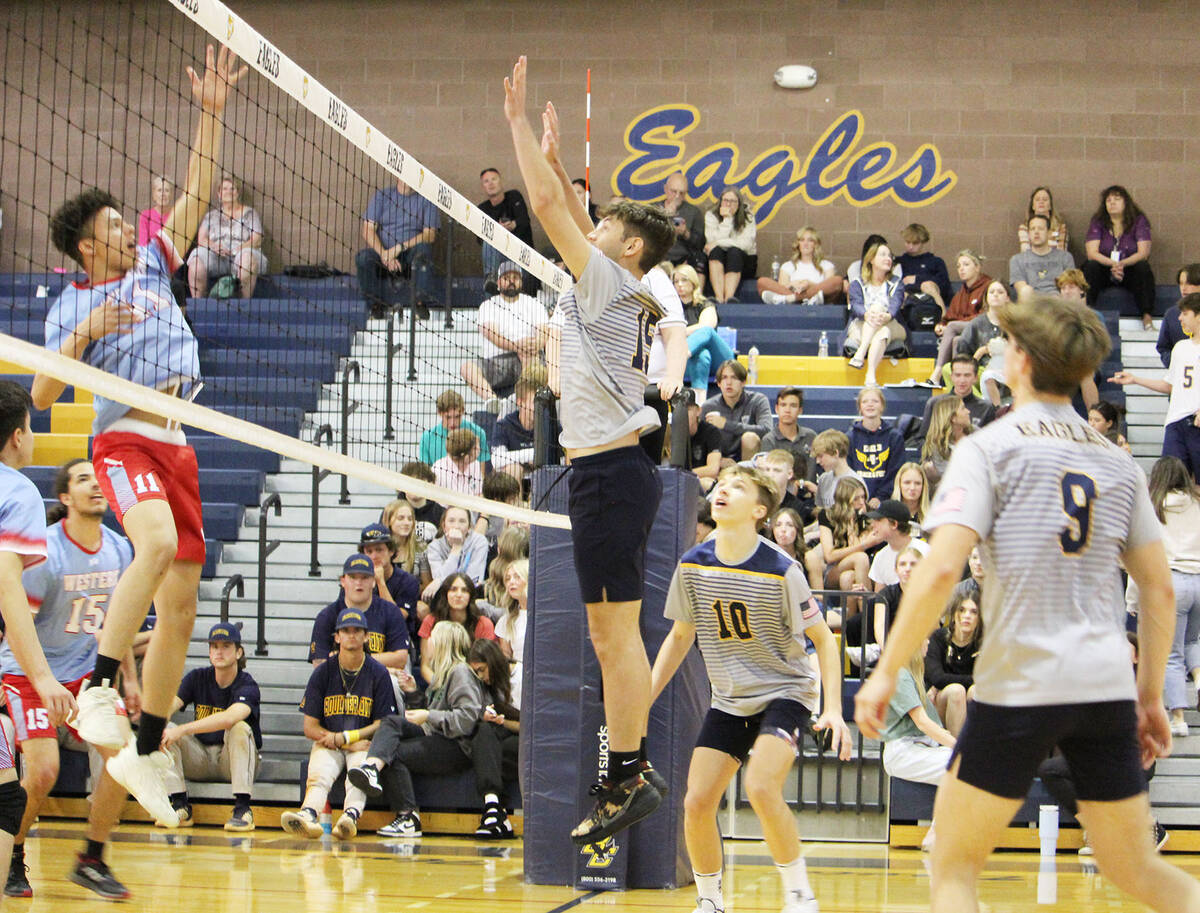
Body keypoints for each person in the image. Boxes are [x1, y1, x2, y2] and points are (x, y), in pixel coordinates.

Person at [855, 292, 1200, 913]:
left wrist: (884, 672)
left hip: (1020, 682)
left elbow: (938, 573)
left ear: (1018, 358)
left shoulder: (988, 448)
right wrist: (1149, 696)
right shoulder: (1118, 465)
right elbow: (1158, 587)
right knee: (1136, 869)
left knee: (954, 865)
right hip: (1101, 685)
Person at [34, 44, 246, 828]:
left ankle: (149, 744)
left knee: (184, 605)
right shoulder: (70, 304)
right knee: (152, 544)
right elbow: (44, 391)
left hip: (180, 432)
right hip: (123, 436)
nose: (133, 229)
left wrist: (212, 114)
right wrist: (91, 325)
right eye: (117, 226)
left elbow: (193, 196)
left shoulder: (153, 268)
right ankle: (96, 687)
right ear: (89, 245)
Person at [504, 57, 688, 844]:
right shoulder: (614, 281)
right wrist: (549, 153)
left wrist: (513, 123)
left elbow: (550, 209)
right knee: (611, 636)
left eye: (606, 223)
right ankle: (628, 772)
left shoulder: (611, 283)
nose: (593, 225)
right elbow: (569, 210)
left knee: (614, 638)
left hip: (611, 474)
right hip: (607, 473)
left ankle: (627, 773)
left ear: (630, 245)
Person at [649, 465, 852, 913]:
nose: (723, 490)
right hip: (730, 699)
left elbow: (823, 639)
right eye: (721, 485)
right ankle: (710, 901)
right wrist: (644, 696)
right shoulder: (693, 563)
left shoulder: (783, 570)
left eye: (737, 487)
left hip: (787, 692)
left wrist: (834, 709)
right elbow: (681, 636)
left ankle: (800, 896)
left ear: (759, 511)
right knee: (697, 801)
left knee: (761, 786)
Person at [2, 459, 135, 900]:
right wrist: (43, 682)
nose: (95, 486)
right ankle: (13, 854)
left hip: (85, 677)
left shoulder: (119, 549)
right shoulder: (47, 554)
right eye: (83, 480)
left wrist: (128, 680)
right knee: (43, 772)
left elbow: (121, 621)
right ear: (65, 498)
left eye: (100, 481)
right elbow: (17, 621)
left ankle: (92, 858)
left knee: (124, 757)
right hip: (29, 672)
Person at [0, 385, 76, 899]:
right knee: (6, 797)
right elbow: (9, 589)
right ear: (19, 435)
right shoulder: (19, 491)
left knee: (8, 787)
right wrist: (42, 676)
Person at [348, 621, 486, 838]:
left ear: (443, 642)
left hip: (457, 747)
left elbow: (468, 719)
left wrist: (428, 715)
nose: (428, 641)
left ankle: (408, 816)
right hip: (438, 737)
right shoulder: (442, 674)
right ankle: (371, 768)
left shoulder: (460, 672)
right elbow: (432, 715)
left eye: (432, 636)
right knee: (391, 722)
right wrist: (413, 693)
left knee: (394, 753)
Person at [282, 607, 398, 839]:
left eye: (357, 631)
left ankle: (350, 817)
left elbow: (383, 723)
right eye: (346, 631)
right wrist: (341, 741)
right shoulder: (323, 673)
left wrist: (349, 738)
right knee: (319, 774)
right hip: (330, 741)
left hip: (363, 744)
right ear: (337, 637)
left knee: (360, 769)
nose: (351, 635)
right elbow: (309, 727)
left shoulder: (378, 673)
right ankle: (308, 814)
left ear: (367, 636)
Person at [160, 622, 262, 832]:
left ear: (238, 652)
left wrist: (183, 729)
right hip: (200, 758)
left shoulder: (247, 684)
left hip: (231, 762)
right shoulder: (197, 677)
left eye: (226, 645)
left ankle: (243, 809)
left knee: (239, 727)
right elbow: (170, 705)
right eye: (214, 646)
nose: (219, 651)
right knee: (166, 729)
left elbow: (229, 718)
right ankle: (180, 806)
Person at [1111, 293, 1200, 481]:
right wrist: (1135, 379)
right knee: (1169, 482)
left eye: (1185, 313)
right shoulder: (1181, 348)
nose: (1179, 318)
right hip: (1176, 421)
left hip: (1197, 421)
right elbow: (1170, 385)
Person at [1146, 457, 1200, 737]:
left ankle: (1178, 717)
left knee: (1171, 653)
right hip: (1199, 578)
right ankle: (1199, 679)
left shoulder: (1153, 508)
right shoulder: (1197, 504)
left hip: (1172, 581)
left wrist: (1133, 600)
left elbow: (1146, 555)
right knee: (1193, 641)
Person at [460, 261, 547, 406]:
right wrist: (516, 346)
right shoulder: (488, 305)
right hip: (497, 363)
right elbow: (491, 333)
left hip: (530, 357)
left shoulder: (534, 304)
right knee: (467, 368)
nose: (511, 281)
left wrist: (536, 343)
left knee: (530, 353)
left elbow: (544, 331)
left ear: (521, 282)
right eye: (507, 278)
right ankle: (492, 400)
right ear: (499, 283)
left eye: (515, 277)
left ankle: (531, 401)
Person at [308, 555, 411, 677]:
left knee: (396, 682)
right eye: (352, 577)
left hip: (381, 678)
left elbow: (400, 659)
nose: (358, 583)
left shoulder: (390, 611)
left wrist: (351, 658)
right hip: (339, 680)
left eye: (365, 577)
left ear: (373, 581)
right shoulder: (327, 616)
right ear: (343, 581)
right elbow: (320, 664)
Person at [356, 176, 441, 319]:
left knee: (423, 251)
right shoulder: (382, 196)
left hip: (410, 256)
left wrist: (399, 248)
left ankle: (420, 304)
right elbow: (367, 229)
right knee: (363, 258)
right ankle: (376, 306)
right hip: (382, 254)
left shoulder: (427, 200)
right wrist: (384, 254)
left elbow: (429, 235)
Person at [466, 638, 521, 838]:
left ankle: (495, 811)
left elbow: (532, 728)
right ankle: (494, 808)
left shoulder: (521, 676)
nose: (480, 677)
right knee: (483, 733)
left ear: (492, 662)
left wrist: (503, 722)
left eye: (481, 670)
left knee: (488, 755)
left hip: (527, 740)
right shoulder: (489, 687)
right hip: (503, 738)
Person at [1083, 184, 1156, 329]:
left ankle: (1147, 317)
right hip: (1104, 268)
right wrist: (1112, 264)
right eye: (1108, 200)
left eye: (1116, 199)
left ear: (1126, 202)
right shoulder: (1098, 221)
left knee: (1143, 267)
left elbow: (1143, 253)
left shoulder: (1139, 221)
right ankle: (1086, 314)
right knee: (1090, 266)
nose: (1112, 203)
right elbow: (1092, 253)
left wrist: (1122, 264)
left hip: (1129, 268)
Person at [186, 174, 266, 300]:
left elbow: (257, 238)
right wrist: (213, 246)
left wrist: (239, 248)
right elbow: (201, 239)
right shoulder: (211, 216)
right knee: (196, 259)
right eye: (224, 189)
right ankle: (198, 304)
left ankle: (243, 303)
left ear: (238, 192)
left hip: (242, 254)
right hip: (217, 257)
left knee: (246, 259)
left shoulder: (250, 213)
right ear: (219, 193)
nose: (228, 192)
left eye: (232, 188)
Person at [922, 251, 991, 388]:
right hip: (964, 332)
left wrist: (951, 325)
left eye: (966, 264)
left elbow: (984, 316)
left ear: (977, 267)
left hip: (983, 330)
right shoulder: (961, 292)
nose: (961, 269)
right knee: (955, 340)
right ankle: (956, 383)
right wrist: (941, 324)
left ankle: (937, 372)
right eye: (959, 266)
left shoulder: (988, 286)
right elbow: (950, 316)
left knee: (953, 327)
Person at [845, 240, 906, 387]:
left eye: (890, 256)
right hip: (861, 325)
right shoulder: (857, 283)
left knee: (879, 309)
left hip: (892, 324)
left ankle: (861, 352)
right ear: (871, 259)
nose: (888, 259)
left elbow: (896, 303)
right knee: (882, 331)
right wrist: (866, 315)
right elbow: (856, 305)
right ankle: (870, 376)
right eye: (883, 255)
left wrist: (887, 315)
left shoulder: (896, 283)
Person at [417, 574, 496, 682]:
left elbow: (486, 666)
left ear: (470, 596)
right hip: (438, 681)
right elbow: (425, 667)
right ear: (446, 594)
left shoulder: (484, 624)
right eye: (453, 590)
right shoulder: (430, 621)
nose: (459, 595)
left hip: (473, 682)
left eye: (464, 590)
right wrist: (441, 688)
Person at [924, 591, 982, 737]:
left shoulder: (984, 643)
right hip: (940, 704)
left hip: (970, 700)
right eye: (962, 610)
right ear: (954, 613)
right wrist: (970, 679)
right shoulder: (939, 638)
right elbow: (936, 677)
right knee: (957, 691)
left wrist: (944, 681)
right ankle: (955, 752)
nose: (967, 616)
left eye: (973, 612)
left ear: (980, 618)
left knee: (976, 691)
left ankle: (978, 749)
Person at [672, 264, 733, 399]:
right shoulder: (671, 309)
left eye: (684, 280)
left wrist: (678, 333)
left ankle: (683, 353)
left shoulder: (706, 304)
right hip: (693, 361)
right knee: (701, 355)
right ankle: (699, 402)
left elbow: (708, 326)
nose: (680, 285)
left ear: (693, 282)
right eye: (676, 281)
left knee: (706, 330)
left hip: (720, 361)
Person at [699, 359, 772, 464]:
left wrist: (726, 425)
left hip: (750, 460)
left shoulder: (758, 400)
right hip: (720, 461)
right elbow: (700, 441)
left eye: (734, 377)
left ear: (743, 382)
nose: (729, 382)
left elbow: (766, 430)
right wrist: (718, 460)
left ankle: (749, 476)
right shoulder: (709, 406)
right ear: (718, 383)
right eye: (724, 378)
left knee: (749, 438)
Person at [847, 386, 906, 505]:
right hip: (856, 499)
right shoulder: (849, 437)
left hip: (886, 500)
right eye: (865, 401)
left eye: (875, 401)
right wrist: (859, 498)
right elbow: (848, 471)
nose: (870, 404)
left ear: (882, 406)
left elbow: (895, 472)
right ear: (860, 407)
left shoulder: (894, 437)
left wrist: (880, 497)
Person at [758, 226, 841, 306]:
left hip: (817, 301)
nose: (805, 244)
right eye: (802, 240)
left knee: (838, 280)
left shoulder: (826, 265)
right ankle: (795, 299)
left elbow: (829, 288)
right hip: (791, 298)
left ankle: (793, 299)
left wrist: (809, 284)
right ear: (798, 244)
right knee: (762, 281)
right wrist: (792, 284)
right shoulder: (788, 266)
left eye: (810, 240)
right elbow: (781, 288)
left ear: (815, 244)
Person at [919, 355, 995, 441]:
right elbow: (923, 439)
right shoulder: (935, 403)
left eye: (967, 375)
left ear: (975, 378)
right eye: (958, 375)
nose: (962, 380)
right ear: (951, 377)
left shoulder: (986, 408)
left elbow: (990, 443)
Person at [358, 523, 420, 628]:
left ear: (391, 551)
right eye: (369, 551)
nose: (374, 556)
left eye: (379, 550)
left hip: (396, 638)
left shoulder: (408, 581)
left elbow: (397, 619)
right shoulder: (355, 579)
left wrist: (380, 582)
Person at [477, 168, 534, 284]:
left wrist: (513, 225)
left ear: (501, 181)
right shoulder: (483, 209)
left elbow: (524, 221)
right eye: (486, 181)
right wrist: (497, 231)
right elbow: (479, 239)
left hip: (521, 257)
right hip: (497, 260)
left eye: (494, 179)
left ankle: (492, 279)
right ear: (483, 187)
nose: (491, 183)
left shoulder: (514, 196)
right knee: (488, 239)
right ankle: (491, 278)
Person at [956, 281, 1010, 401]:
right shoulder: (976, 324)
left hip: (1008, 369)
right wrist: (982, 351)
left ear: (1007, 298)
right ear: (986, 297)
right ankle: (976, 401)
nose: (996, 295)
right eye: (992, 292)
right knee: (951, 370)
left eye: (1000, 292)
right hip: (980, 368)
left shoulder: (1014, 323)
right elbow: (963, 356)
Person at [423, 507, 490, 598]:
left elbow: (473, 580)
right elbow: (440, 582)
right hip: (445, 596)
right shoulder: (434, 547)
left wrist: (440, 580)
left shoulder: (479, 541)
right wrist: (456, 549)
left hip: (471, 595)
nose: (456, 526)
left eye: (462, 521)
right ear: (444, 526)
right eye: (451, 521)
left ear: (469, 527)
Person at [704, 187, 757, 304]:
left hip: (745, 260)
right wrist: (727, 220)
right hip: (719, 258)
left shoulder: (748, 216)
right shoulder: (711, 215)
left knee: (734, 252)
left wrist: (719, 243)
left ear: (739, 203)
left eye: (733, 201)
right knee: (715, 252)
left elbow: (745, 244)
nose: (729, 204)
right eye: (725, 200)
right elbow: (711, 240)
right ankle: (719, 297)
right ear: (720, 201)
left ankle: (729, 297)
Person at [760, 387, 817, 490]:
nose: (787, 410)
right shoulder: (769, 440)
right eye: (783, 405)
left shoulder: (811, 436)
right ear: (777, 409)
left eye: (793, 406)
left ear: (800, 410)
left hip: (808, 492)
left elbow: (813, 471)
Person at [866, 500, 930, 590]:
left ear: (894, 524)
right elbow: (880, 598)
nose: (873, 525)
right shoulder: (880, 557)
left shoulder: (925, 551)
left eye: (878, 520)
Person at [1008, 214, 1075, 299]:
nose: (1036, 232)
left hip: (1058, 302)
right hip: (1031, 303)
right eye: (1032, 229)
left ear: (1049, 233)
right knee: (1026, 291)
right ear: (1028, 234)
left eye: (1040, 228)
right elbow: (1020, 287)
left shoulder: (1065, 257)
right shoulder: (1017, 260)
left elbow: (1069, 286)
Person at [418, 390, 491, 467]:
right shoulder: (427, 438)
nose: (452, 423)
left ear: (463, 411)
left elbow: (481, 472)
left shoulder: (478, 433)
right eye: (448, 417)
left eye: (457, 417)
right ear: (439, 413)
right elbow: (425, 472)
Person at [494, 559, 528, 708]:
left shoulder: (545, 616)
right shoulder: (506, 621)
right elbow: (506, 658)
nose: (511, 582)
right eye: (507, 578)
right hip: (518, 680)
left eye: (517, 577)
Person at [896, 223, 952, 314]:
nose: (910, 246)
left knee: (927, 285)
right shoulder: (899, 262)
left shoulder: (935, 261)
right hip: (909, 297)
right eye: (908, 242)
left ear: (923, 242)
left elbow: (944, 283)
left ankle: (943, 317)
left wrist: (917, 279)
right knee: (901, 293)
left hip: (930, 295)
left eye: (915, 243)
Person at [660, 171, 707, 275]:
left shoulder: (694, 212)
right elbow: (646, 236)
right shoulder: (654, 209)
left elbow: (700, 243)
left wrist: (686, 233)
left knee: (700, 259)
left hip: (685, 257)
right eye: (674, 191)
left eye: (681, 193)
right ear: (665, 189)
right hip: (659, 256)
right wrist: (665, 216)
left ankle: (697, 291)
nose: (677, 196)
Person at [921, 396, 972, 488]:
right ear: (953, 417)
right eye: (963, 408)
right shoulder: (936, 447)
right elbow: (947, 479)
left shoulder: (977, 435)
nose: (968, 411)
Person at [811, 429, 867, 509]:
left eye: (821, 456)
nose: (818, 461)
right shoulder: (824, 479)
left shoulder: (855, 482)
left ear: (835, 453)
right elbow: (820, 512)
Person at [1157, 264, 1200, 368]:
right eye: (1181, 283)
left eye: (1189, 283)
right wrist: (1175, 362)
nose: (1184, 288)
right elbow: (1163, 347)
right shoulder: (1172, 314)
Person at [381, 498, 432, 585]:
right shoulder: (379, 546)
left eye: (410, 519)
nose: (406, 523)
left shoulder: (420, 545)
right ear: (389, 521)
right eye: (400, 518)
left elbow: (426, 583)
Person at [684, 390, 723, 492]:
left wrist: (683, 474)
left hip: (696, 479)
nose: (682, 414)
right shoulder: (671, 431)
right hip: (679, 481)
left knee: (707, 483)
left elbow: (713, 470)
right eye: (678, 410)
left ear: (698, 411)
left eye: (687, 409)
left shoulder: (711, 432)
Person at [432, 428, 484, 498]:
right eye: (475, 448)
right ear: (466, 456)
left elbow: (479, 493)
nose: (479, 449)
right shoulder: (439, 471)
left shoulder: (475, 465)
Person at [1016, 186, 1069, 252]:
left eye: (1045, 199)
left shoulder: (1060, 228)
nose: (1041, 202)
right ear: (1033, 206)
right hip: (1031, 262)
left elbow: (1062, 254)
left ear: (1050, 206)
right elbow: (1025, 252)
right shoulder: (1025, 228)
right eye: (1037, 199)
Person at [892, 462, 932, 534]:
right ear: (899, 484)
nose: (912, 488)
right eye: (907, 482)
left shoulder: (932, 516)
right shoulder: (888, 515)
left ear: (923, 486)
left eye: (917, 483)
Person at [137, 175, 173, 246]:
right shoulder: (145, 215)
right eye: (159, 190)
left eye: (166, 190)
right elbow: (143, 243)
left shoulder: (175, 215)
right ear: (154, 195)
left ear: (171, 195)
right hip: (151, 255)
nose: (163, 194)